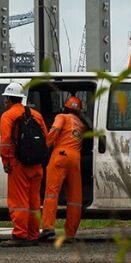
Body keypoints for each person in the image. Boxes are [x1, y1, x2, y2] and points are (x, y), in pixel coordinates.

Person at [0, 82, 47, 247]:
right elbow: (45, 139)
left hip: (18, 164)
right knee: (34, 202)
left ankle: (20, 235)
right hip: (37, 165)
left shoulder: (8, 116)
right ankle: (33, 235)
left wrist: (6, 160)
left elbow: (5, 143)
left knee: (19, 202)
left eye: (6, 98)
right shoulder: (36, 114)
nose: (4, 101)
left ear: (9, 99)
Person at [40, 95, 85, 243]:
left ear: (65, 107)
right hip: (75, 159)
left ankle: (48, 228)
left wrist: (44, 146)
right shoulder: (81, 124)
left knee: (52, 193)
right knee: (74, 199)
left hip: (60, 155)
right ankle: (70, 233)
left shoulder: (62, 116)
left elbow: (55, 130)